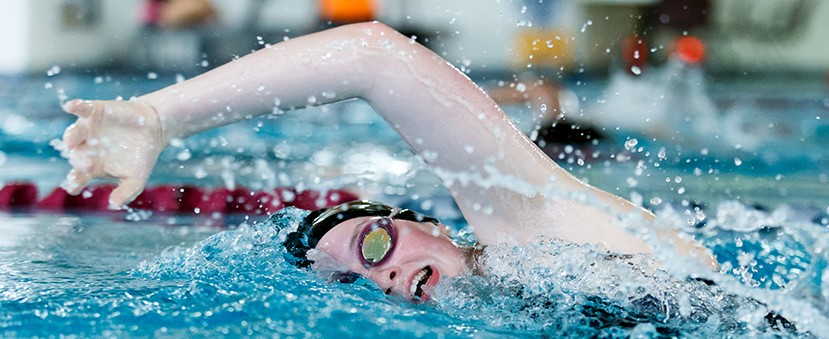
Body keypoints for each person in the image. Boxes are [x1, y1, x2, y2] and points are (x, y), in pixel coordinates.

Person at [56, 21, 717, 303]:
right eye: (357, 286)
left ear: (424, 224)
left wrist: (162, 116)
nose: (385, 280)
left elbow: (373, 57)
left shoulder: (528, 221)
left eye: (373, 244)